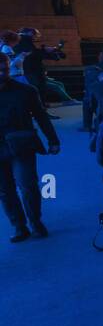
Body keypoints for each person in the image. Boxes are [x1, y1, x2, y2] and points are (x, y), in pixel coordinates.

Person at [0, 52, 60, 241]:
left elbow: (41, 116)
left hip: (21, 144)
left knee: (28, 186)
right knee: (5, 190)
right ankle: (19, 226)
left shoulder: (26, 91)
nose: (2, 73)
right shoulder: (26, 91)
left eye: (5, 69)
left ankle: (35, 222)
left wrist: (53, 140)